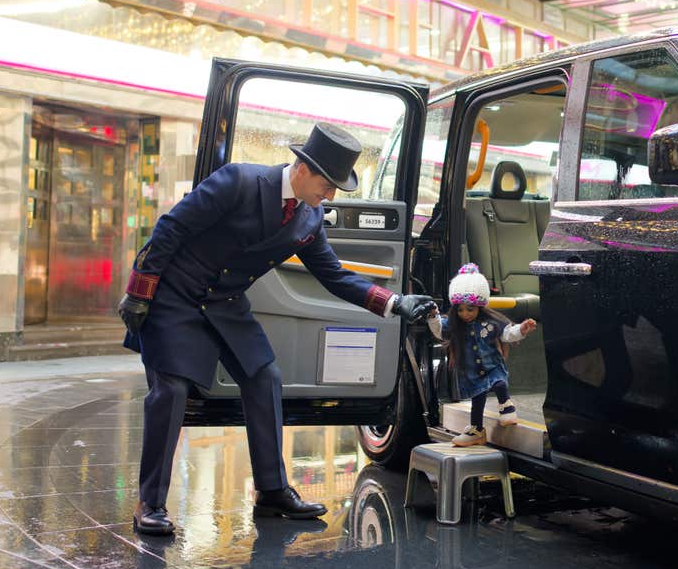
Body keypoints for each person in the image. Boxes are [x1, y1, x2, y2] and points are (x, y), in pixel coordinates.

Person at [117, 123, 436, 536]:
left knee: (265, 377)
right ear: (303, 168)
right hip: (176, 296)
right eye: (328, 184)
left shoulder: (309, 217)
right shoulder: (239, 181)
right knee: (171, 389)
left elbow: (335, 276)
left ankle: (272, 492)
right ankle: (151, 503)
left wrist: (395, 303)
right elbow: (170, 228)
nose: (331, 195)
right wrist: (140, 292)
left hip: (225, 303)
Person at [426, 264, 536, 447]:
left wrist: (522, 329)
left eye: (470, 309)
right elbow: (439, 331)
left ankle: (506, 406)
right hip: (472, 373)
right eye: (460, 310)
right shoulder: (454, 325)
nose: (465, 314)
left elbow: (508, 333)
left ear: (479, 306)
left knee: (499, 383)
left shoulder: (491, 323)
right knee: (478, 400)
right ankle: (476, 430)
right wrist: (433, 316)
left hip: (492, 366)